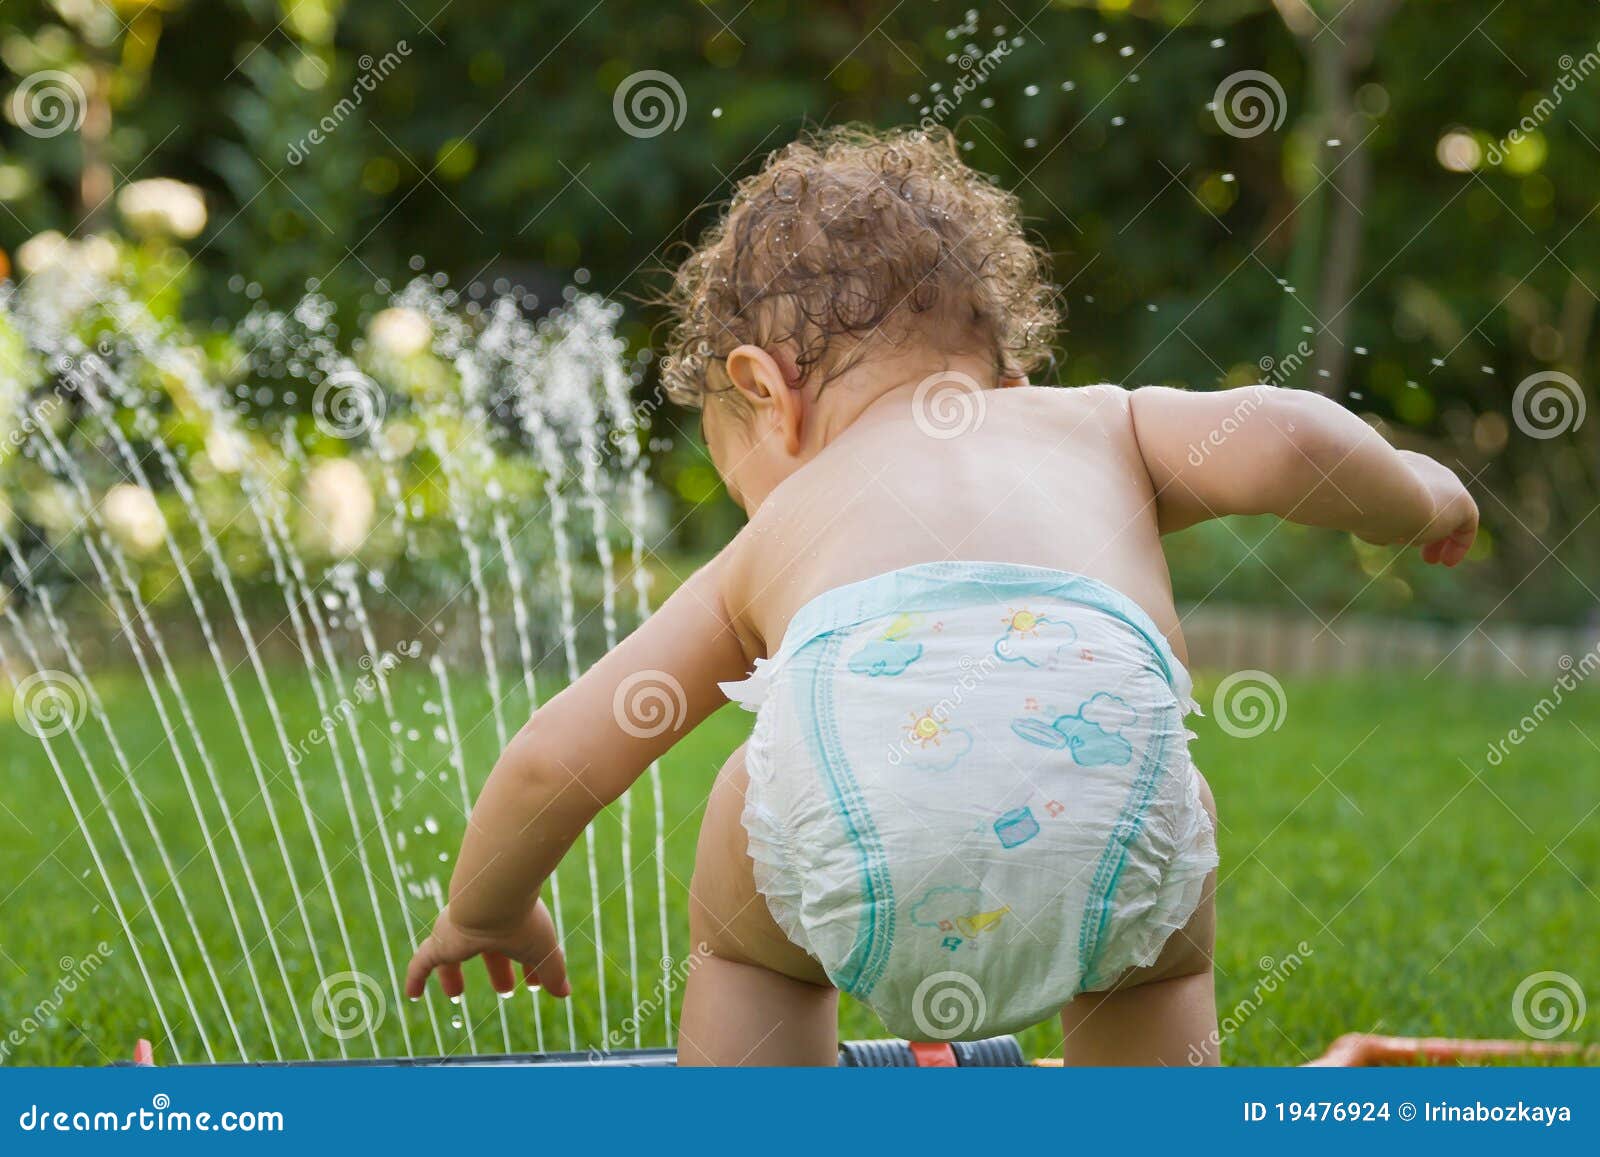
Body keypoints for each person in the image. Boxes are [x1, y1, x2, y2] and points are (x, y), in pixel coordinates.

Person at [405, 126, 1477, 1065]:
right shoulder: (1102, 424)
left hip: (850, 808)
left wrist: (486, 908)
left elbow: (562, 753)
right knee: (1150, 955)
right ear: (1010, 379)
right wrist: (1420, 495)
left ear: (764, 392)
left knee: (750, 903)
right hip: (1105, 808)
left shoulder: (783, 528)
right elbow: (1284, 435)